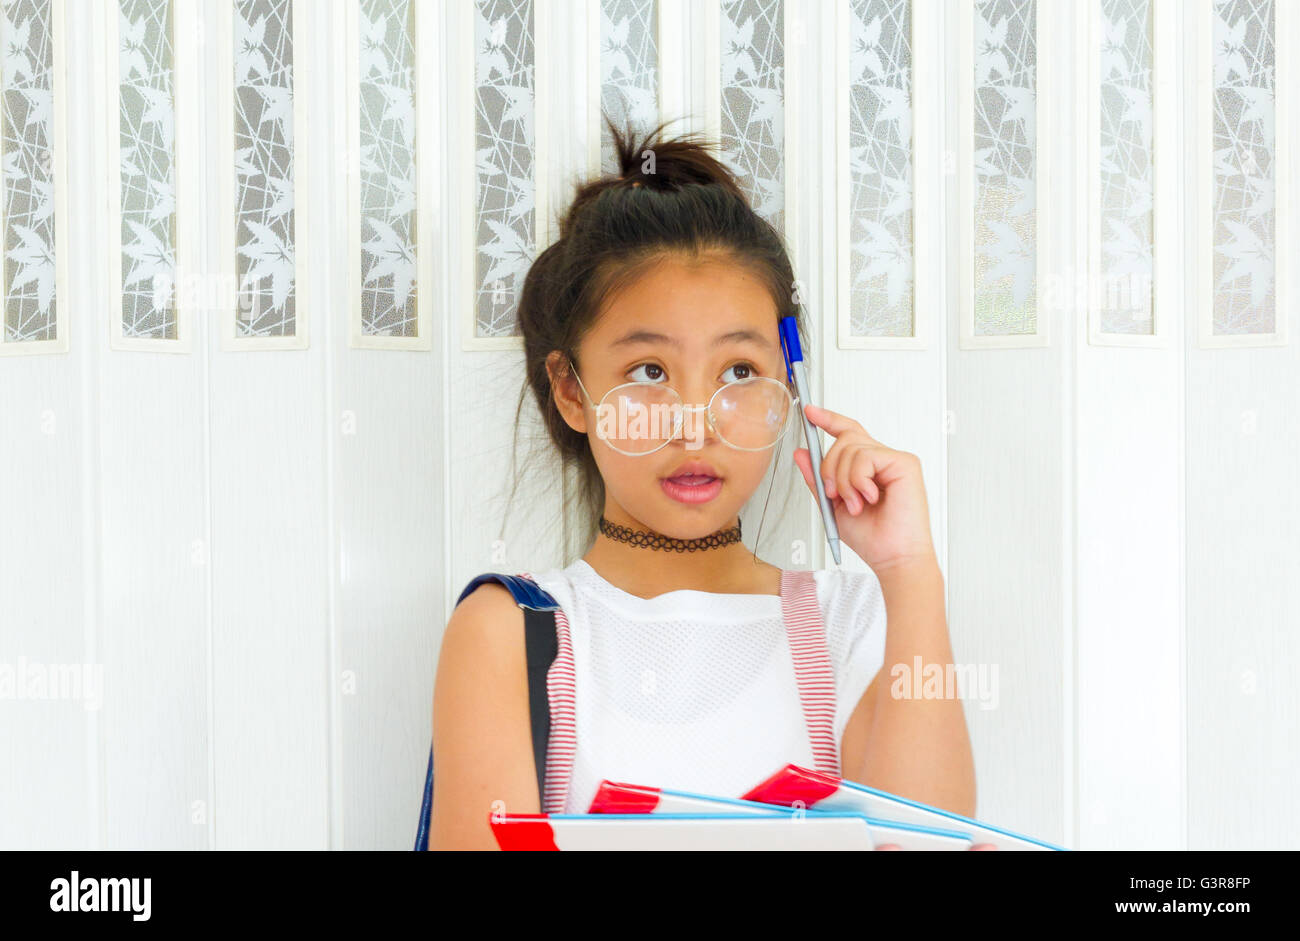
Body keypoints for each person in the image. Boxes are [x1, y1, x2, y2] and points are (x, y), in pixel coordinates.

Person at [427, 116, 979, 850]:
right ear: (570, 388)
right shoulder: (514, 629)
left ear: (787, 378)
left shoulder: (854, 620)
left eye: (739, 372)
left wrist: (911, 572)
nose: (696, 427)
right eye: (649, 372)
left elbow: (933, 843)